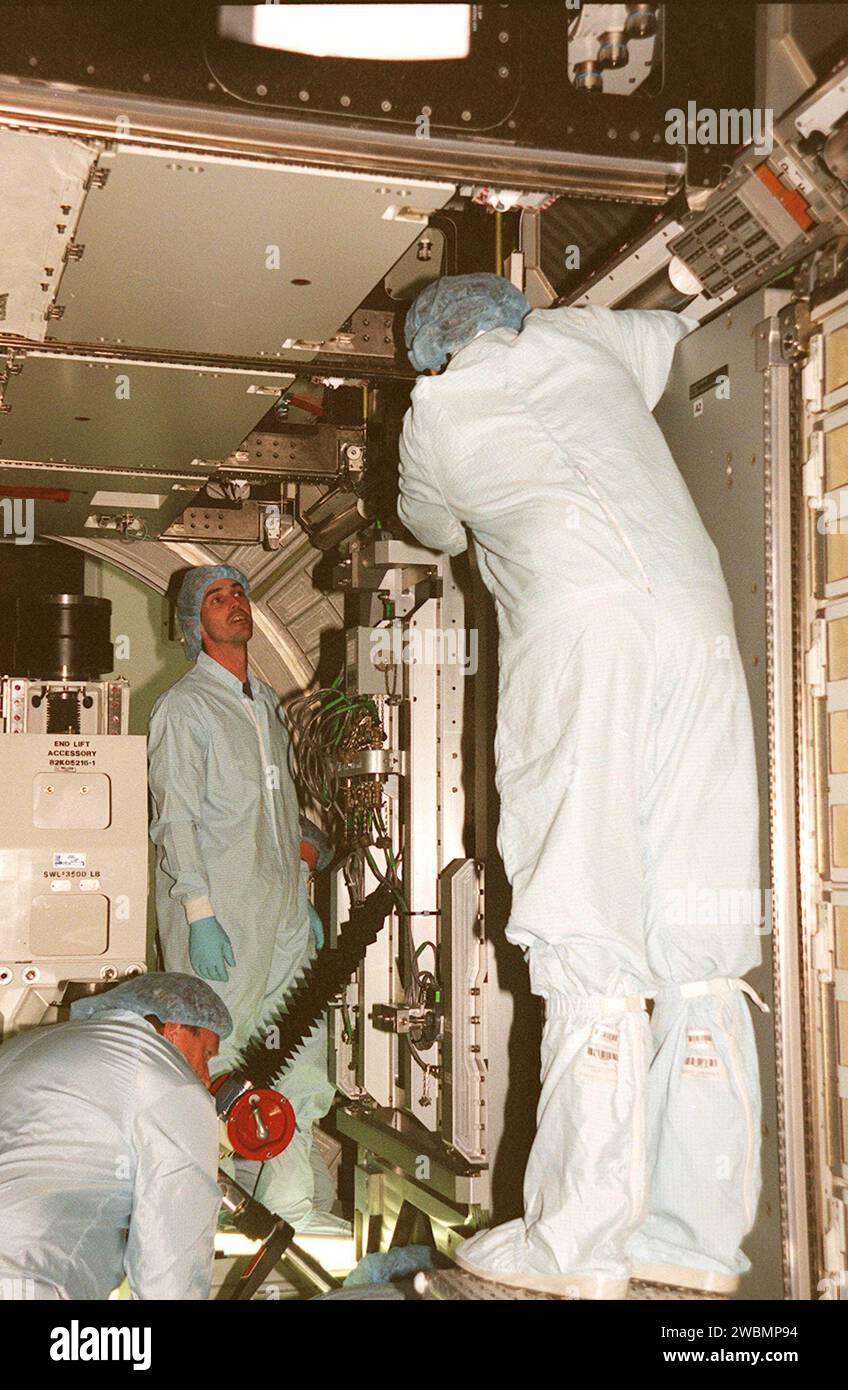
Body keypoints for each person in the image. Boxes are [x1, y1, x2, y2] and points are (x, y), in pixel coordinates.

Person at [397, 272, 767, 1298]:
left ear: (432, 355)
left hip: (579, 640)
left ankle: (574, 1248)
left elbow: (427, 530)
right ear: (514, 315)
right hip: (695, 620)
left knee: (583, 928)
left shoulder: (433, 413)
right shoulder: (585, 340)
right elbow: (687, 329)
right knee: (699, 933)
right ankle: (690, 1243)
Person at [148, 565, 338, 1231]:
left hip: (282, 915)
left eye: (240, 594)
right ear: (195, 624)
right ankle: (203, 1215)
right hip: (221, 918)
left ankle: (289, 1203)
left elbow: (281, 815)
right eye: (218, 599)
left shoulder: (267, 710)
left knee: (298, 1051)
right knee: (218, 1062)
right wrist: (199, 913)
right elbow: (176, 822)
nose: (235, 605)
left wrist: (301, 889)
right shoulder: (184, 709)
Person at [0, 972, 230, 1300]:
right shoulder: (172, 1085)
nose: (207, 1078)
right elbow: (171, 1267)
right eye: (207, 1054)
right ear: (175, 1028)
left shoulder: (30, 1045)